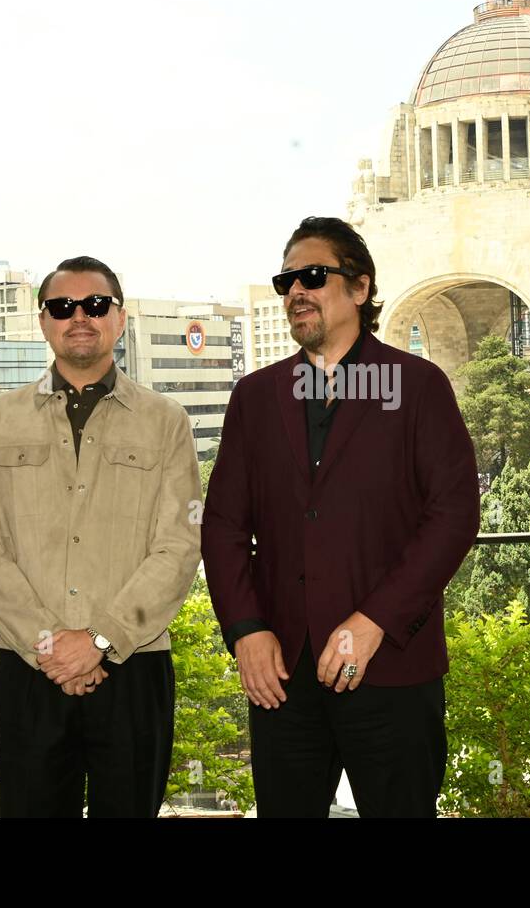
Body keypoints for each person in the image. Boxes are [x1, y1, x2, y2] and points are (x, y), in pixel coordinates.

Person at [202, 216, 480, 817]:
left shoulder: (417, 386)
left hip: (393, 670)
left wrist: (376, 619)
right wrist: (246, 631)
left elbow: (454, 515)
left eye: (313, 275)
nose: (296, 290)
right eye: (286, 280)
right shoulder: (254, 397)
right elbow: (223, 524)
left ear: (360, 288)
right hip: (282, 676)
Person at [0, 256, 201, 818]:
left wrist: (96, 642)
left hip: (133, 665)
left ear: (119, 319)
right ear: (43, 322)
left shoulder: (166, 421)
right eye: (63, 307)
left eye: (96, 305)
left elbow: (180, 543)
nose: (80, 317)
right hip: (28, 668)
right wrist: (51, 647)